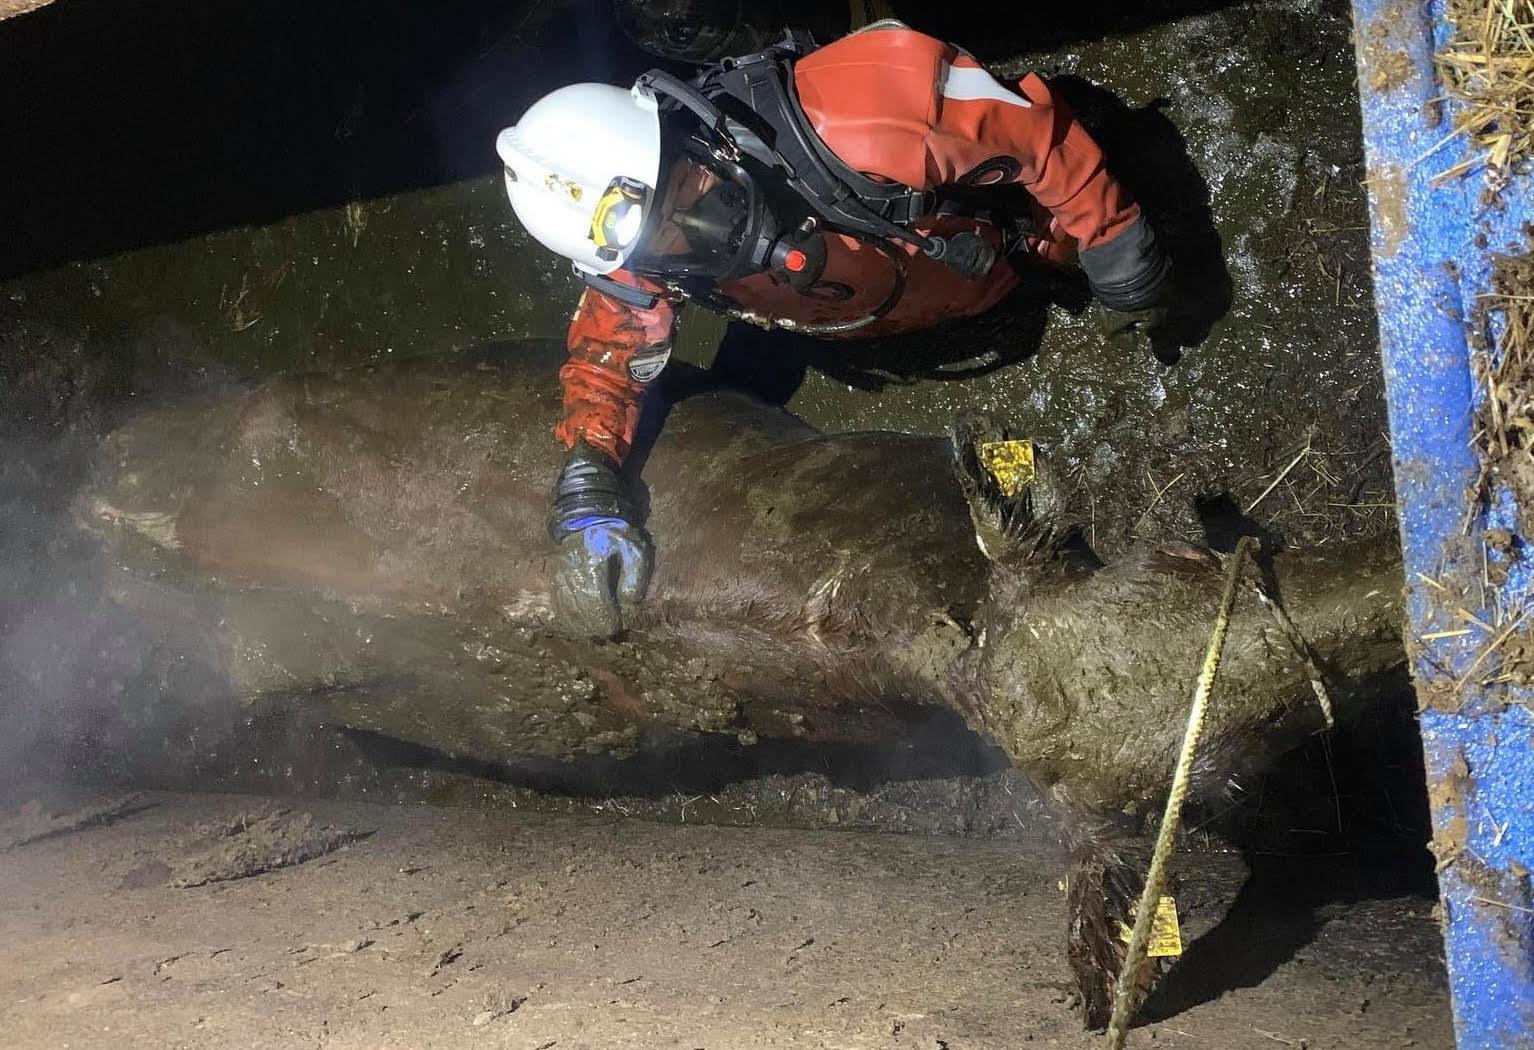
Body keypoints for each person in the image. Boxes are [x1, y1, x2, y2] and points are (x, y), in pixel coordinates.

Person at [495, 20, 1172, 636]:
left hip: (1007, 251)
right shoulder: (639, 261)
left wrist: (1113, 240)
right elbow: (604, 360)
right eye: (666, 237)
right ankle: (999, 455)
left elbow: (1037, 136)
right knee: (763, 420)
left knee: (1131, 272)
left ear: (685, 135)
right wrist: (589, 480)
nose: (699, 228)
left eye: (684, 189)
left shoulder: (869, 106)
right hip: (861, 320)